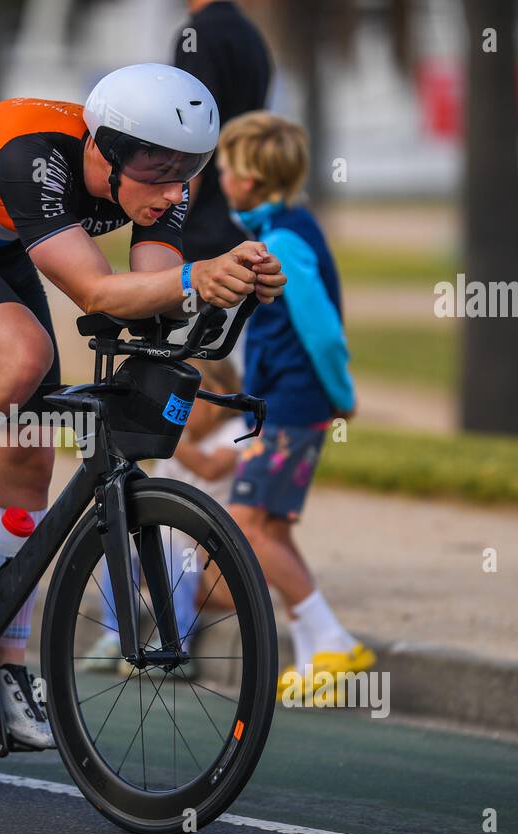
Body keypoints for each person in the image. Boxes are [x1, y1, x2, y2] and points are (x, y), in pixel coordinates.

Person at [0, 64, 288, 748]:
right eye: (156, 172)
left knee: (30, 465)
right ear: (105, 150)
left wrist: (225, 283)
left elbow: (150, 292)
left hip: (0, 254)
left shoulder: (161, 175)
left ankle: (1, 662)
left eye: (188, 169)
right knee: (19, 356)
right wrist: (193, 277)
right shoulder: (32, 160)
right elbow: (96, 293)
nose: (173, 188)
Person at [215, 111, 375, 703]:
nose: (221, 178)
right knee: (273, 526)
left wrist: (342, 395)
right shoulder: (280, 229)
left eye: (228, 169)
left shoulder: (284, 241)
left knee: (248, 527)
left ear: (252, 180)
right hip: (283, 404)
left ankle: (331, 638)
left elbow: (323, 331)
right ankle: (318, 654)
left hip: (291, 407)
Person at [84, 358, 251, 679]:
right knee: (121, 540)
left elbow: (212, 467)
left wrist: (168, 440)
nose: (179, 405)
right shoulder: (184, 440)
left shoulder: (235, 432)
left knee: (175, 543)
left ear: (216, 398)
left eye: (188, 398)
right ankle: (113, 633)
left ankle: (178, 640)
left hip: (210, 549)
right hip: (175, 541)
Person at [172, 1, 273, 264]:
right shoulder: (252, 35)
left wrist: (171, 219)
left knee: (192, 302)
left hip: (203, 223)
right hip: (243, 208)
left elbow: (194, 133)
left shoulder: (197, 35)